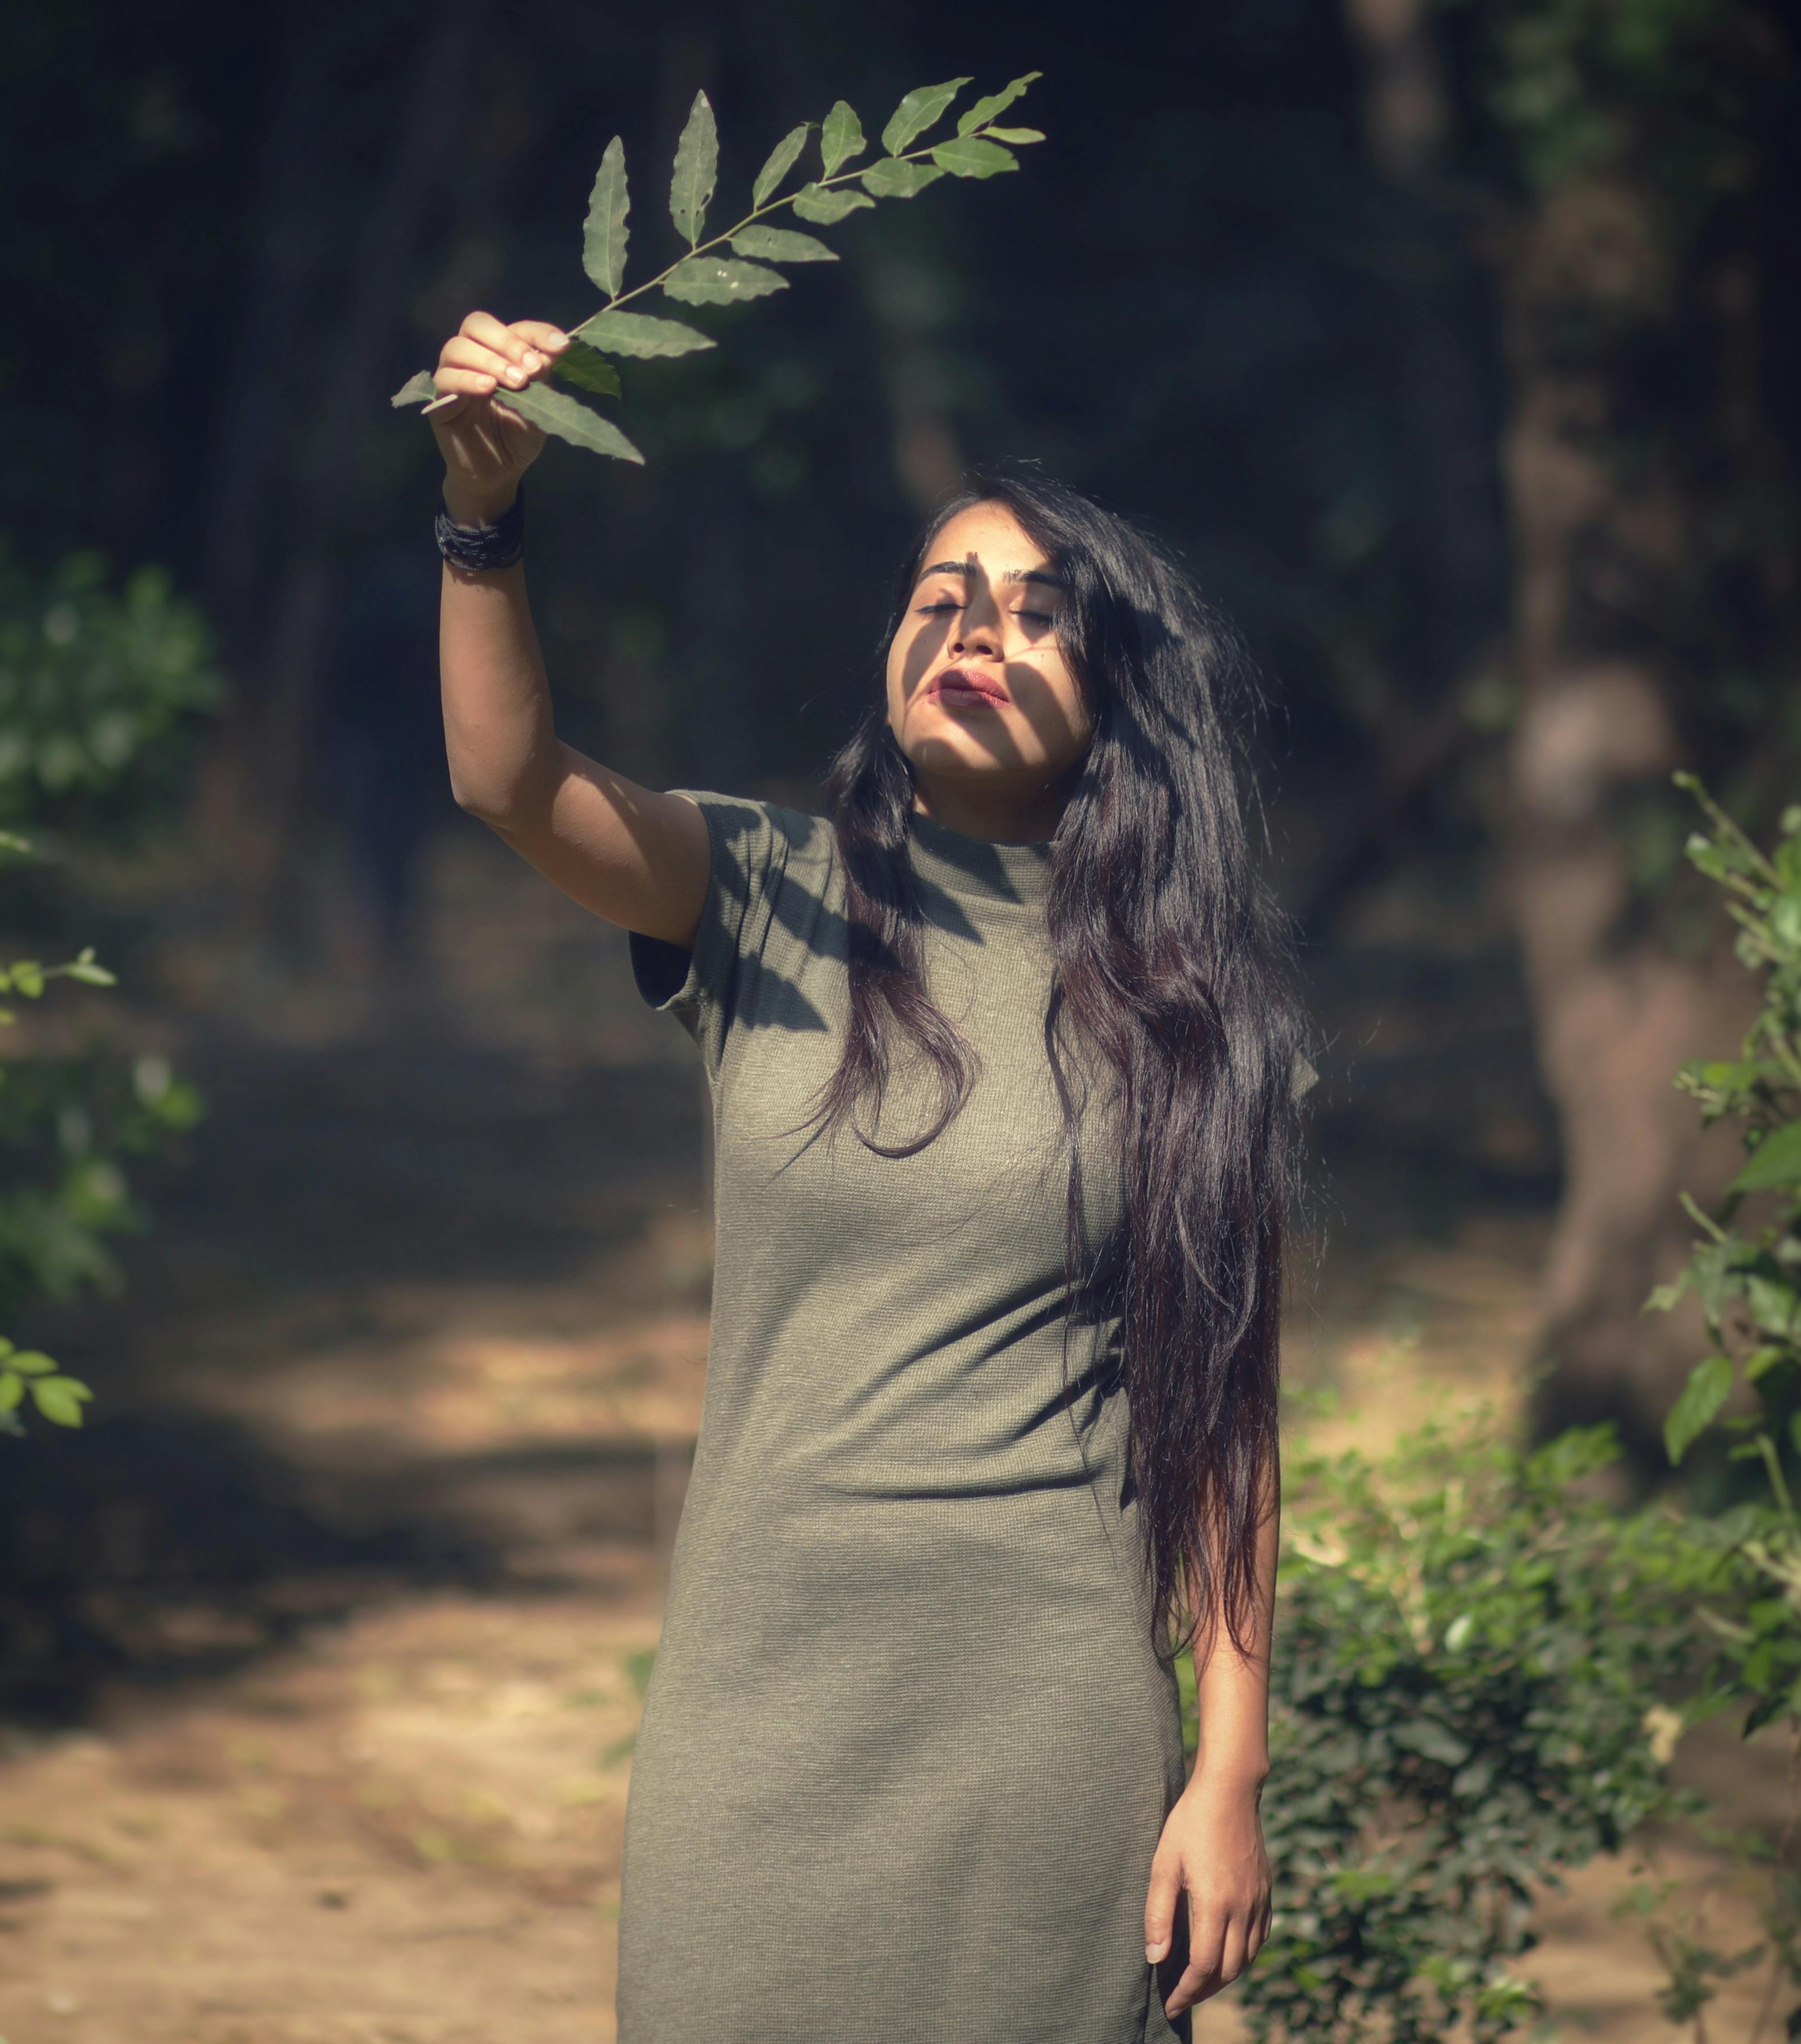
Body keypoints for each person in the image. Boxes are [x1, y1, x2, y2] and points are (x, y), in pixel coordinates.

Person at [426, 309, 1316, 2042]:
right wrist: (481, 516)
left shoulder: (1193, 1024)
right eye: (941, 597)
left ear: (1120, 703)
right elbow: (505, 781)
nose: (975, 631)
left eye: (1038, 614)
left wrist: (1228, 1776)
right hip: (753, 1709)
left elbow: (1226, 1422)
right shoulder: (762, 892)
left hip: (1042, 1736)